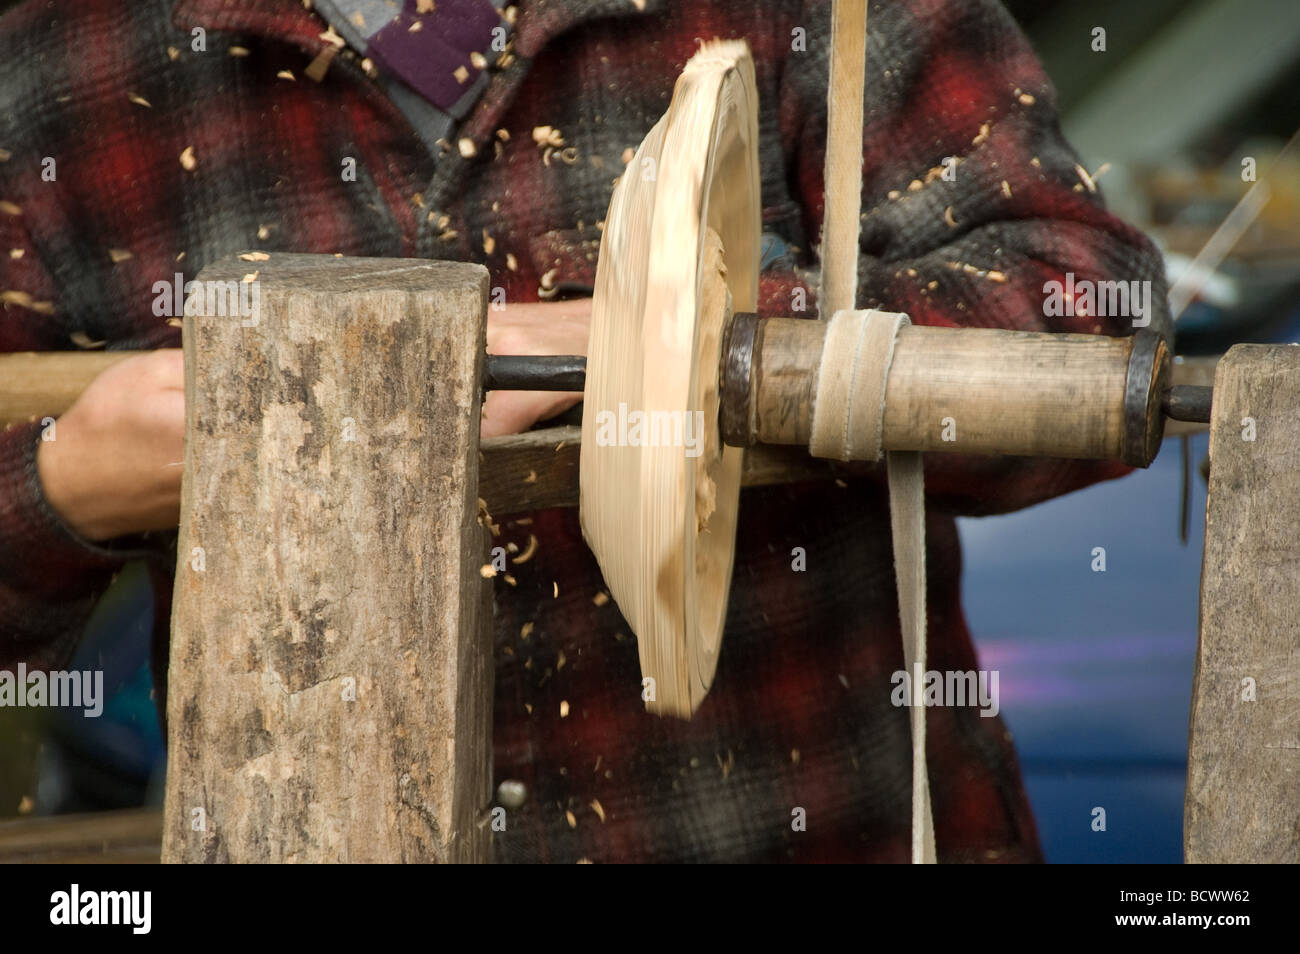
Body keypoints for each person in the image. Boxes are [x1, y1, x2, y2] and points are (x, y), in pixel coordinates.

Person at [0, 0, 1169, 862]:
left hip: (820, 824)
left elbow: (1089, 317)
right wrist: (66, 494)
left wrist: (668, 333)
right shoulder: (54, 60)